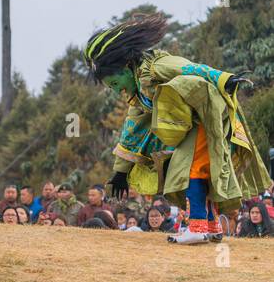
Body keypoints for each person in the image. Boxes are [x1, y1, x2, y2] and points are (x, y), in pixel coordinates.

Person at [84, 12, 271, 245]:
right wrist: (120, 172)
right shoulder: (139, 95)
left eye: (114, 82)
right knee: (197, 174)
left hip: (206, 119)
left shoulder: (157, 67)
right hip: (191, 130)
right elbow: (131, 133)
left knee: (190, 172)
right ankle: (211, 226)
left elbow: (192, 69)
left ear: (125, 66)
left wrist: (225, 79)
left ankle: (197, 227)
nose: (115, 90)